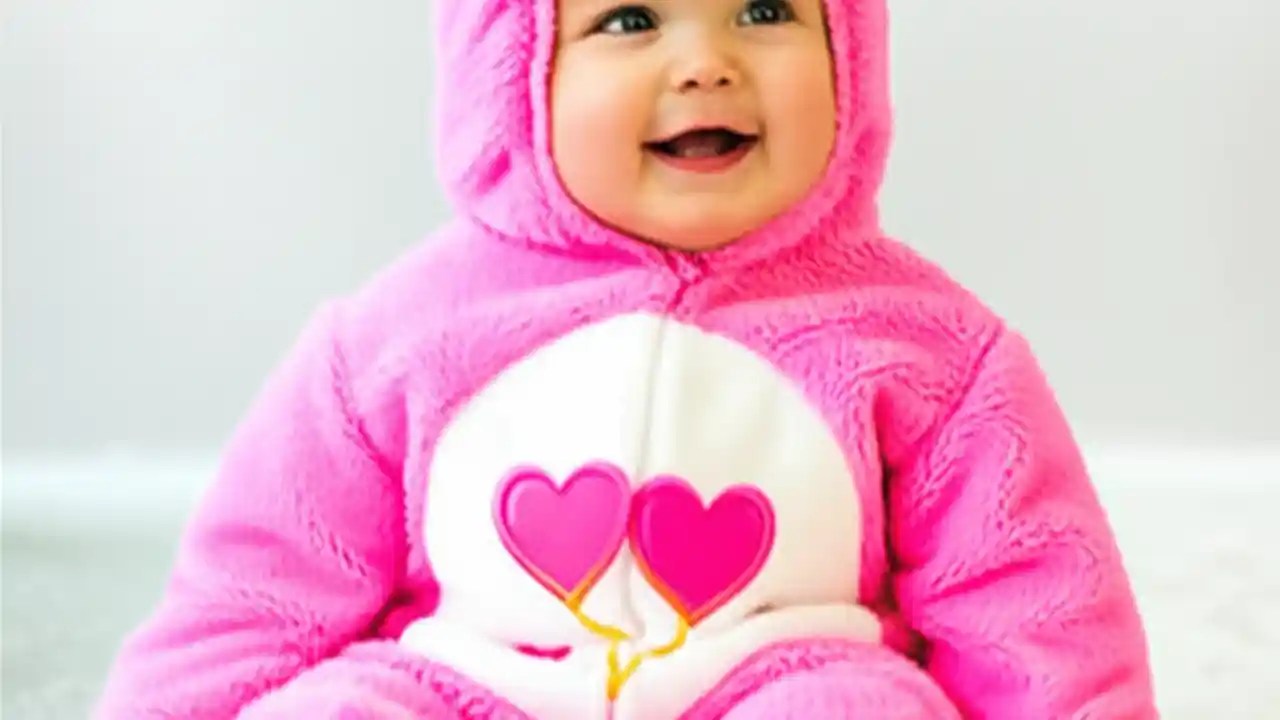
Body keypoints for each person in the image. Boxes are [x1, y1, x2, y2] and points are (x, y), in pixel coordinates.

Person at [96, 0, 1158, 717]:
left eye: (764, 10)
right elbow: (254, 595)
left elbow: (1037, 613)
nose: (706, 62)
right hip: (475, 688)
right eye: (630, 19)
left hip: (777, 685)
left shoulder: (932, 348)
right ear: (513, 68)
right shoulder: (395, 339)